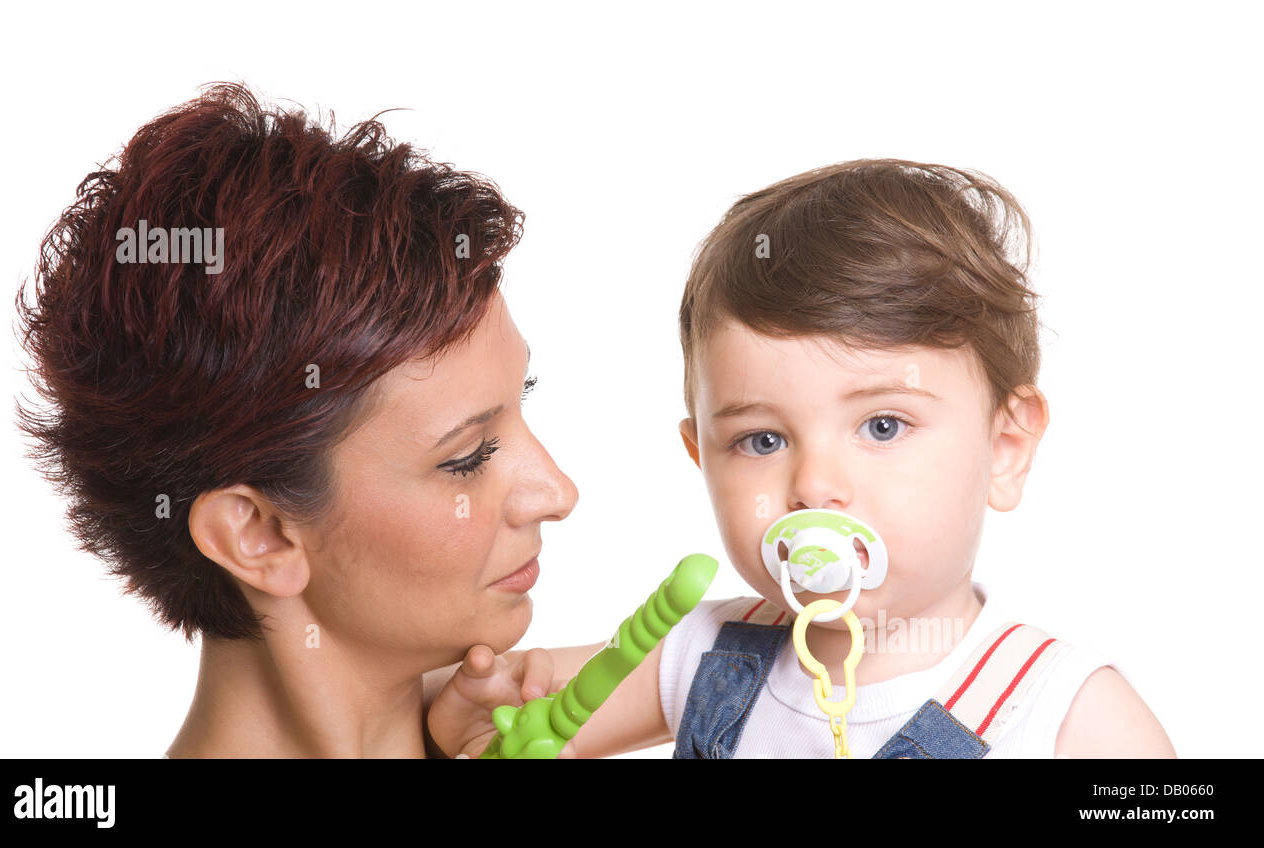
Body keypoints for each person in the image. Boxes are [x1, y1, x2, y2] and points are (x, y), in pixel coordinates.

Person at [427, 159, 1176, 758]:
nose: (815, 484)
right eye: (761, 441)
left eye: (883, 426)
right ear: (702, 458)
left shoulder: (1070, 716)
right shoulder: (703, 655)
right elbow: (502, 710)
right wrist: (472, 718)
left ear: (1005, 449)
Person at [15, 82, 577, 758]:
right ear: (259, 534)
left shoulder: (522, 717)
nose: (558, 492)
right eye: (467, 457)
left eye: (524, 397)